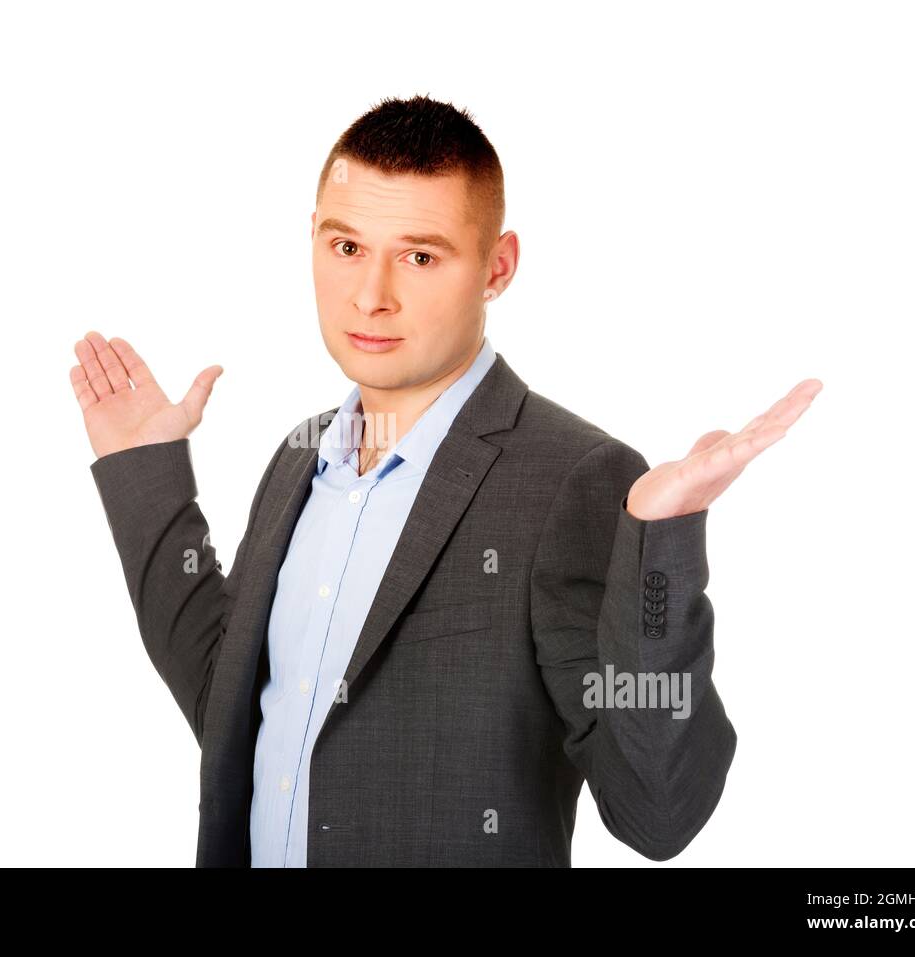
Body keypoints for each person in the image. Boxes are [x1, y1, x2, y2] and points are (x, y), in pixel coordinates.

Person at [68, 94, 821, 867]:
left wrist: (661, 543)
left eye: (420, 256)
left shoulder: (570, 479)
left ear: (497, 268)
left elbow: (657, 810)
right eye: (347, 246)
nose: (371, 296)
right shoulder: (301, 457)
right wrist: (143, 475)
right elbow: (236, 714)